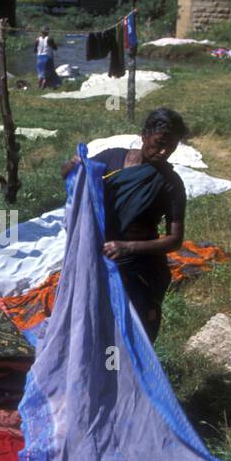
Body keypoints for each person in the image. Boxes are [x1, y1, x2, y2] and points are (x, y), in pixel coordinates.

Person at [61, 108, 188, 342]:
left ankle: (135, 377)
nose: (163, 152)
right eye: (159, 143)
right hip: (98, 258)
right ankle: (101, 375)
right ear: (144, 135)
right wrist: (71, 168)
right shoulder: (111, 159)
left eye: (170, 148)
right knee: (97, 327)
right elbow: (74, 180)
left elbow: (175, 239)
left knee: (135, 330)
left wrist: (127, 247)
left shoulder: (170, 184)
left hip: (138, 266)